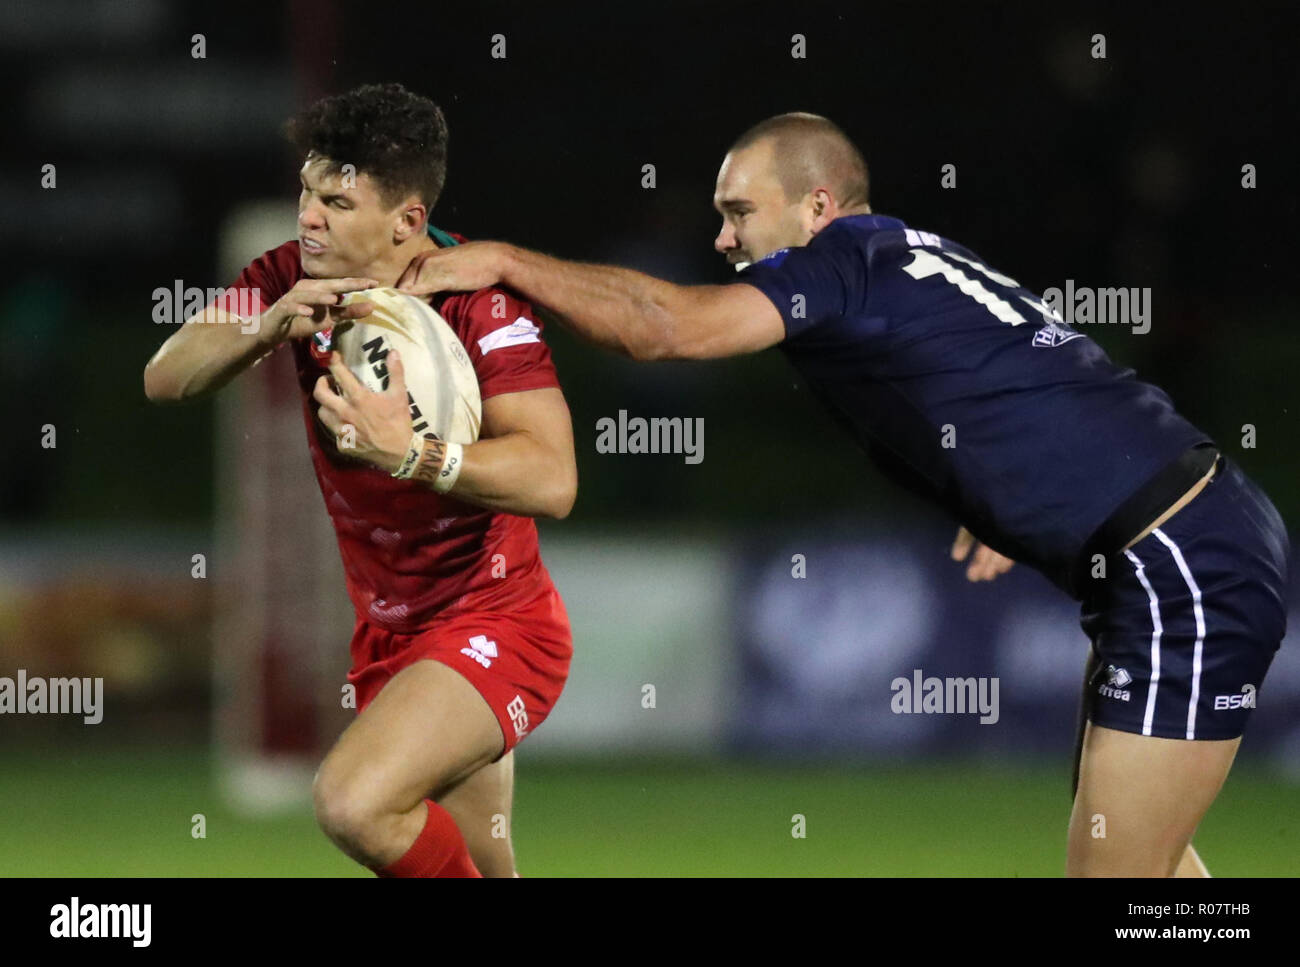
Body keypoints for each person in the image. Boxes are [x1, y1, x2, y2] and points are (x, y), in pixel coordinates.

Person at [392, 111, 1290, 877]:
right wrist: (1016, 498)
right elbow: (1025, 372)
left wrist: (506, 261)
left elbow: (663, 328)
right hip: (1174, 546)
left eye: (740, 211)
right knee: (1144, 862)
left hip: (1180, 565)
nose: (724, 238)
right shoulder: (901, 257)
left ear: (817, 207)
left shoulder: (843, 262)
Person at [144, 83, 578, 878]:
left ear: (407, 222)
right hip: (390, 633)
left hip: (495, 618)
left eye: (338, 201)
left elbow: (552, 478)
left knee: (353, 802)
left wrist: (412, 452)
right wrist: (264, 326)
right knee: (484, 863)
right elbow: (165, 375)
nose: (308, 216)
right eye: (307, 193)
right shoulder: (289, 278)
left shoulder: (477, 305)